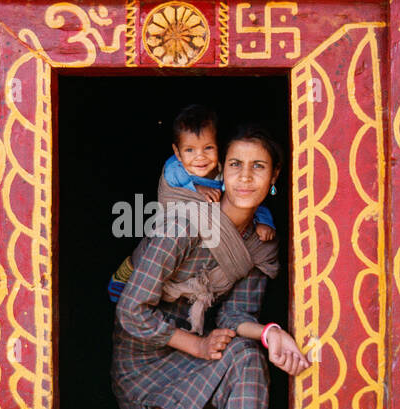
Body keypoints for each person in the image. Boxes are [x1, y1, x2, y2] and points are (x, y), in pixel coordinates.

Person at [111, 124, 311, 409]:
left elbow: (238, 313)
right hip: (145, 352)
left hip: (197, 349)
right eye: (235, 164)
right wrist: (197, 345)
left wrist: (272, 333)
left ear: (275, 177)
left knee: (248, 357)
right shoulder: (183, 224)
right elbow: (131, 310)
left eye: (258, 167)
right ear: (220, 171)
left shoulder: (262, 244)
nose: (244, 177)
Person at [107, 105, 275, 303]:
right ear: (177, 153)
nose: (200, 157)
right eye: (190, 150)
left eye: (208, 148)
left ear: (219, 148)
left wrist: (266, 223)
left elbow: (250, 203)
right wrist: (196, 188)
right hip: (168, 229)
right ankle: (132, 267)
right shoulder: (175, 168)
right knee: (155, 243)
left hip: (201, 252)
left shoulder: (226, 172)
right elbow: (172, 189)